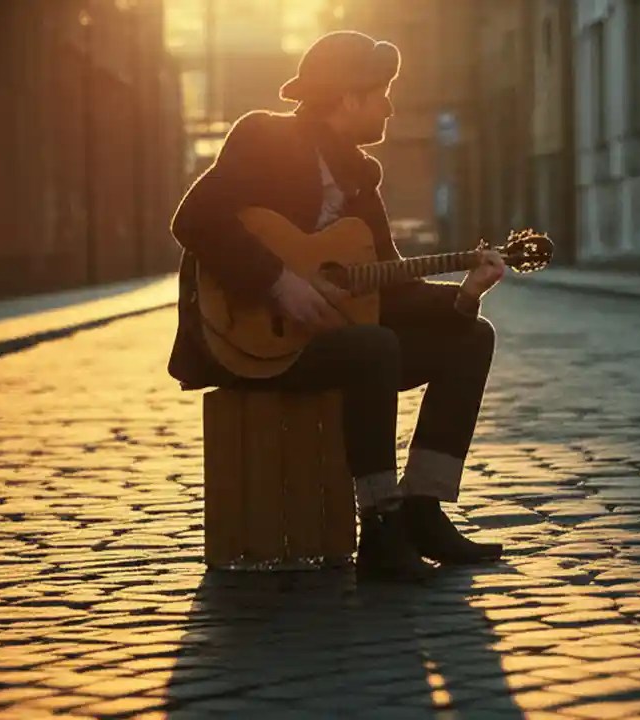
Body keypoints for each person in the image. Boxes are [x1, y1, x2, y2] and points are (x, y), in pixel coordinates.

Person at [166, 31, 507, 583]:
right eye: (382, 92)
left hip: (322, 344)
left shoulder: (357, 178)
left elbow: (389, 289)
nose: (391, 105)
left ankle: (423, 508)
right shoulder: (265, 137)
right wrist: (278, 282)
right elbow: (193, 219)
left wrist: (467, 293)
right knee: (374, 347)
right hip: (244, 340)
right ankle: (380, 525)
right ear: (348, 97)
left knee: (472, 337)